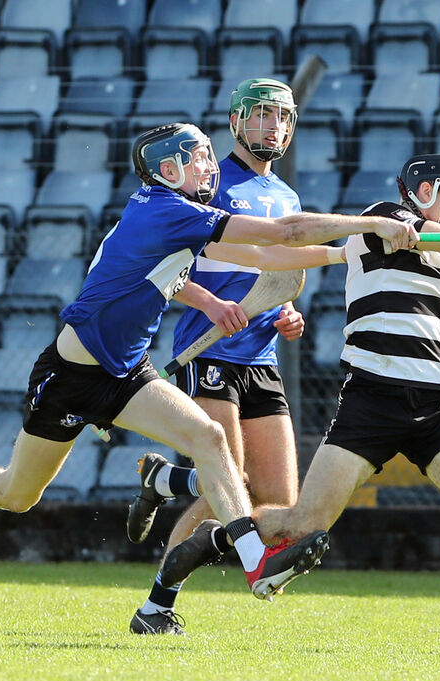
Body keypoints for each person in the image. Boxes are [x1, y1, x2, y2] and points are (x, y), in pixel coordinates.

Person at [0, 123, 420, 608]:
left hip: (128, 373)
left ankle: (252, 560)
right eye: (198, 158)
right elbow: (281, 234)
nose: (210, 166)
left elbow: (261, 257)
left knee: (209, 438)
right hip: (72, 376)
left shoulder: (178, 217)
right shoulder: (166, 211)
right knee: (15, 494)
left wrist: (347, 253)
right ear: (169, 170)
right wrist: (369, 227)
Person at [135, 154, 440, 654]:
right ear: (423, 191)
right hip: (370, 401)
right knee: (302, 524)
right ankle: (216, 539)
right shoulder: (383, 223)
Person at [126, 79, 336, 632]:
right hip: (210, 350)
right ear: (236, 121)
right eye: (262, 115)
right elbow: (165, 267)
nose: (274, 127)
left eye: (282, 117)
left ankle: (164, 483)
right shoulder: (208, 181)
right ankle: (157, 605)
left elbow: (279, 277)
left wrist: (288, 313)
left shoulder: (287, 198)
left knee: (278, 502)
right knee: (231, 478)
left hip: (262, 358)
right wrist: (213, 303)